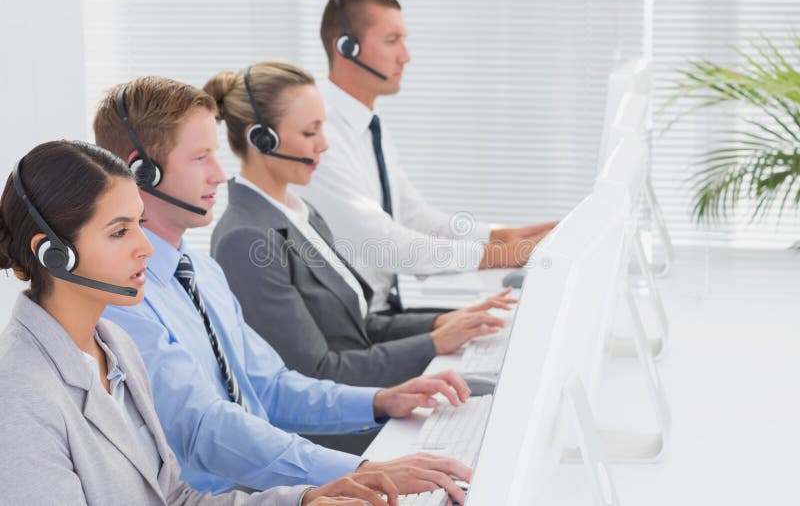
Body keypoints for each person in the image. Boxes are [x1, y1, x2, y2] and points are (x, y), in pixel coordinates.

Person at [95, 75, 473, 503]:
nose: (220, 176)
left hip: (272, 486)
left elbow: (270, 386)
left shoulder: (201, 272)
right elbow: (205, 429)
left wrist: (380, 401)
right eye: (201, 158)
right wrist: (359, 470)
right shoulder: (122, 301)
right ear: (140, 171)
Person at [0, 140, 400, 505]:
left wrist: (302, 501)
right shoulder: (19, 396)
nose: (144, 246)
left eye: (139, 223)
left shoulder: (115, 346)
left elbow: (174, 498)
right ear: (54, 255)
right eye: (120, 231)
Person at [205, 61, 515, 391]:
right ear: (262, 139)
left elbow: (356, 326)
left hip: (363, 394)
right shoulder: (246, 239)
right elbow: (315, 373)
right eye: (310, 132)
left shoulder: (301, 213)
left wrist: (443, 323)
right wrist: (434, 344)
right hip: (332, 420)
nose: (324, 144)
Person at [294, 0, 559, 312]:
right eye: (392, 41)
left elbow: (414, 217)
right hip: (350, 325)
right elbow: (381, 243)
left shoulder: (369, 126)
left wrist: (506, 236)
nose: (406, 56)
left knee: (497, 325)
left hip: (378, 314)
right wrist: (502, 254)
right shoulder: (318, 133)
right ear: (346, 48)